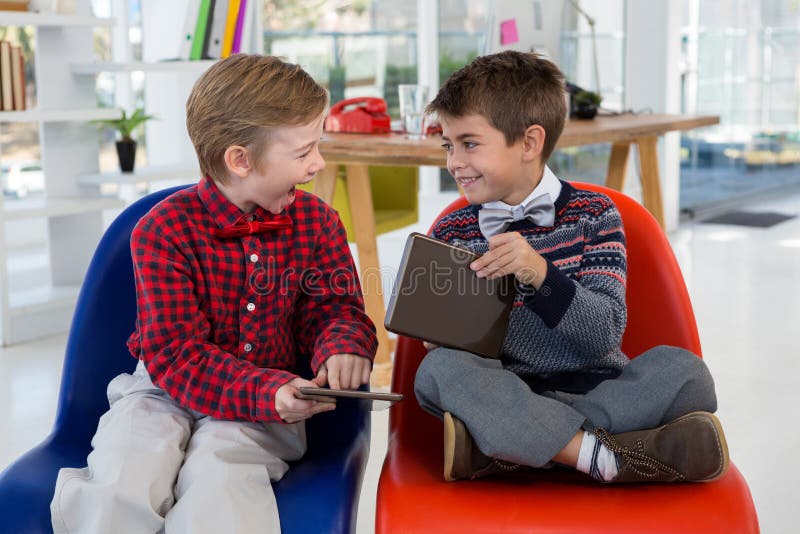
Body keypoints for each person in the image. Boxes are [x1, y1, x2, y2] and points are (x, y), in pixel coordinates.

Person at [50, 54, 377, 533]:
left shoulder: (317, 222)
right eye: (304, 151)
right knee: (125, 470)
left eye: (318, 145)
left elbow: (335, 308)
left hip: (267, 406)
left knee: (221, 481)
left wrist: (343, 345)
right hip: (162, 390)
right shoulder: (162, 230)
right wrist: (267, 389)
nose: (319, 163)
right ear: (241, 160)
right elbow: (175, 355)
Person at [414, 51, 728, 484]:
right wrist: (445, 335)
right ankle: (609, 453)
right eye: (448, 145)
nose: (454, 162)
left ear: (529, 142)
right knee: (438, 371)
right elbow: (460, 351)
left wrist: (542, 275)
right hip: (512, 391)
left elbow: (603, 334)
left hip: (596, 388)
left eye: (469, 143)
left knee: (686, 371)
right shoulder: (453, 229)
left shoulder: (595, 215)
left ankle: (521, 451)